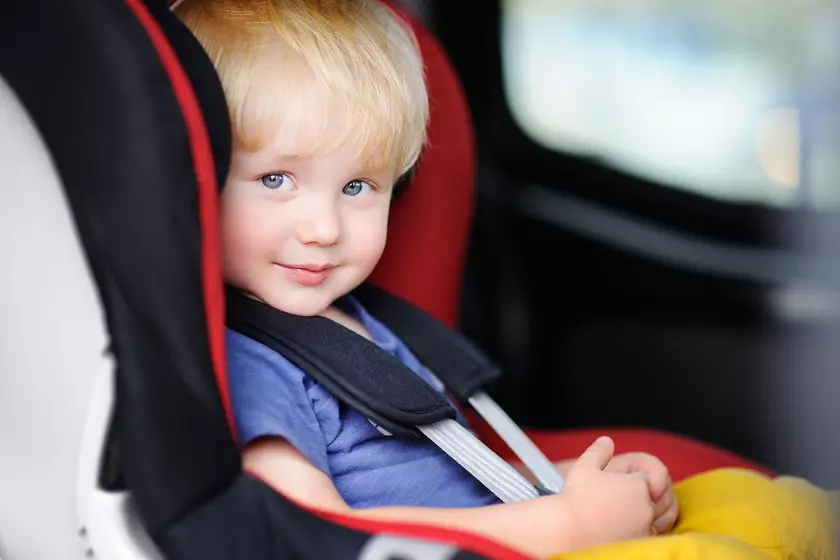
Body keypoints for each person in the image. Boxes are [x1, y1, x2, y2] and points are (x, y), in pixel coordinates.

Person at [173, 1, 838, 558]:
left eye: (357, 186)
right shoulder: (254, 363)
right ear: (197, 180)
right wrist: (566, 525)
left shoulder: (353, 318)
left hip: (514, 524)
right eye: (275, 180)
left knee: (753, 499)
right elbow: (308, 535)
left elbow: (433, 474)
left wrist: (560, 482)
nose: (324, 226)